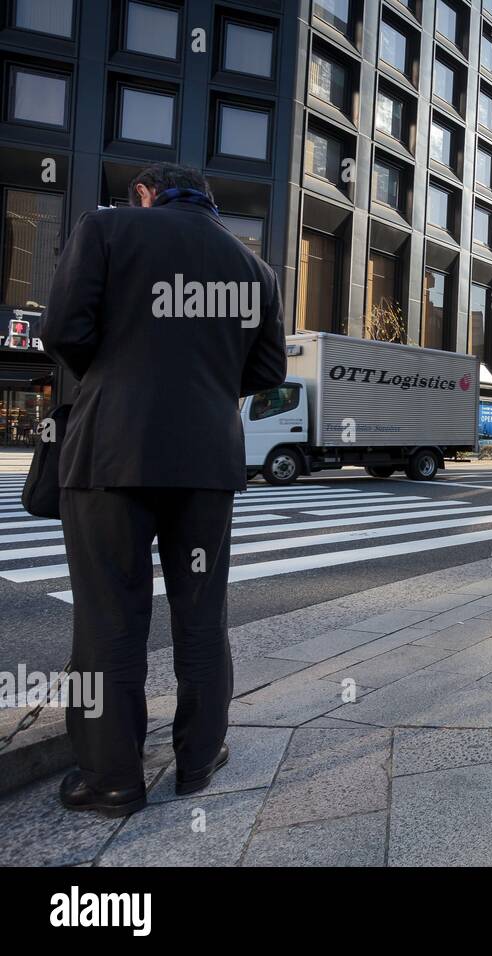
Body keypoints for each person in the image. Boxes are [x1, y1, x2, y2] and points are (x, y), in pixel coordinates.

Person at [41, 163, 287, 816]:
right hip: (207, 463)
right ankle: (199, 759)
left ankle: (111, 778)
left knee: (108, 618)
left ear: (146, 194)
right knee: (203, 614)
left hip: (112, 453)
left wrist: (124, 377)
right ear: (208, 201)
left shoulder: (109, 228)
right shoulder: (254, 269)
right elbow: (267, 367)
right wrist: (201, 389)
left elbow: (63, 328)